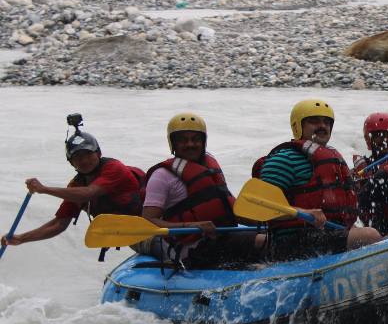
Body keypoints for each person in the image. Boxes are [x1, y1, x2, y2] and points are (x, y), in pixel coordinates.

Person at [252, 98, 380, 261]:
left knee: (373, 233)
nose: (322, 126)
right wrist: (304, 212)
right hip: (293, 241)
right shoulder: (284, 159)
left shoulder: (332, 157)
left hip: (325, 235)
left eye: (327, 122)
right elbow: (260, 207)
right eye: (314, 121)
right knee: (369, 236)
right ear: (298, 126)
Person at [1, 115, 144, 257]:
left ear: (98, 153)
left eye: (88, 154)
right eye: (77, 157)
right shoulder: (75, 186)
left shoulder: (114, 168)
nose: (84, 160)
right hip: (135, 235)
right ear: (71, 162)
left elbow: (89, 193)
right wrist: (22, 238)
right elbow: (59, 224)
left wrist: (44, 189)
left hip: (151, 221)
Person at [140, 112, 259, 268]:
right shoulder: (161, 176)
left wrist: (265, 222)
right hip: (190, 249)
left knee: (271, 236)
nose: (190, 144)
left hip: (220, 237)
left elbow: (229, 208)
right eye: (183, 140)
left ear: (204, 142)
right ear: (173, 144)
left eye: (196, 139)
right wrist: (192, 226)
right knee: (263, 242)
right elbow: (148, 222)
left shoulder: (210, 168)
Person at [352, 112, 388, 232]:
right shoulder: (360, 170)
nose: (386, 140)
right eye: (379, 135)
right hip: (375, 228)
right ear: (368, 140)